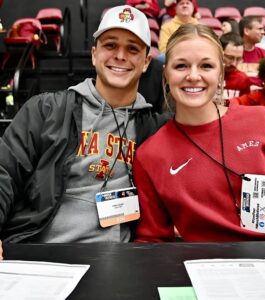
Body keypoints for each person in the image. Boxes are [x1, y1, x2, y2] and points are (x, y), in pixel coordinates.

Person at [0, 5, 168, 245]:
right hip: (42, 253)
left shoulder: (154, 129)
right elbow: (4, 171)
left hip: (117, 262)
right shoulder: (47, 110)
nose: (120, 55)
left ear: (145, 62)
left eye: (132, 49)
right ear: (93, 54)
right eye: (110, 45)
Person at [133, 23, 265, 242]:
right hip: (206, 266)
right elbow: (152, 241)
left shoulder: (264, 121)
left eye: (206, 66)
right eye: (181, 66)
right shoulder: (150, 156)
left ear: (220, 72)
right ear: (166, 74)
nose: (193, 76)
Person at [220, 32, 252, 101]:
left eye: (238, 59)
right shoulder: (207, 75)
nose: (234, 64)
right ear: (219, 53)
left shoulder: (243, 79)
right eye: (230, 57)